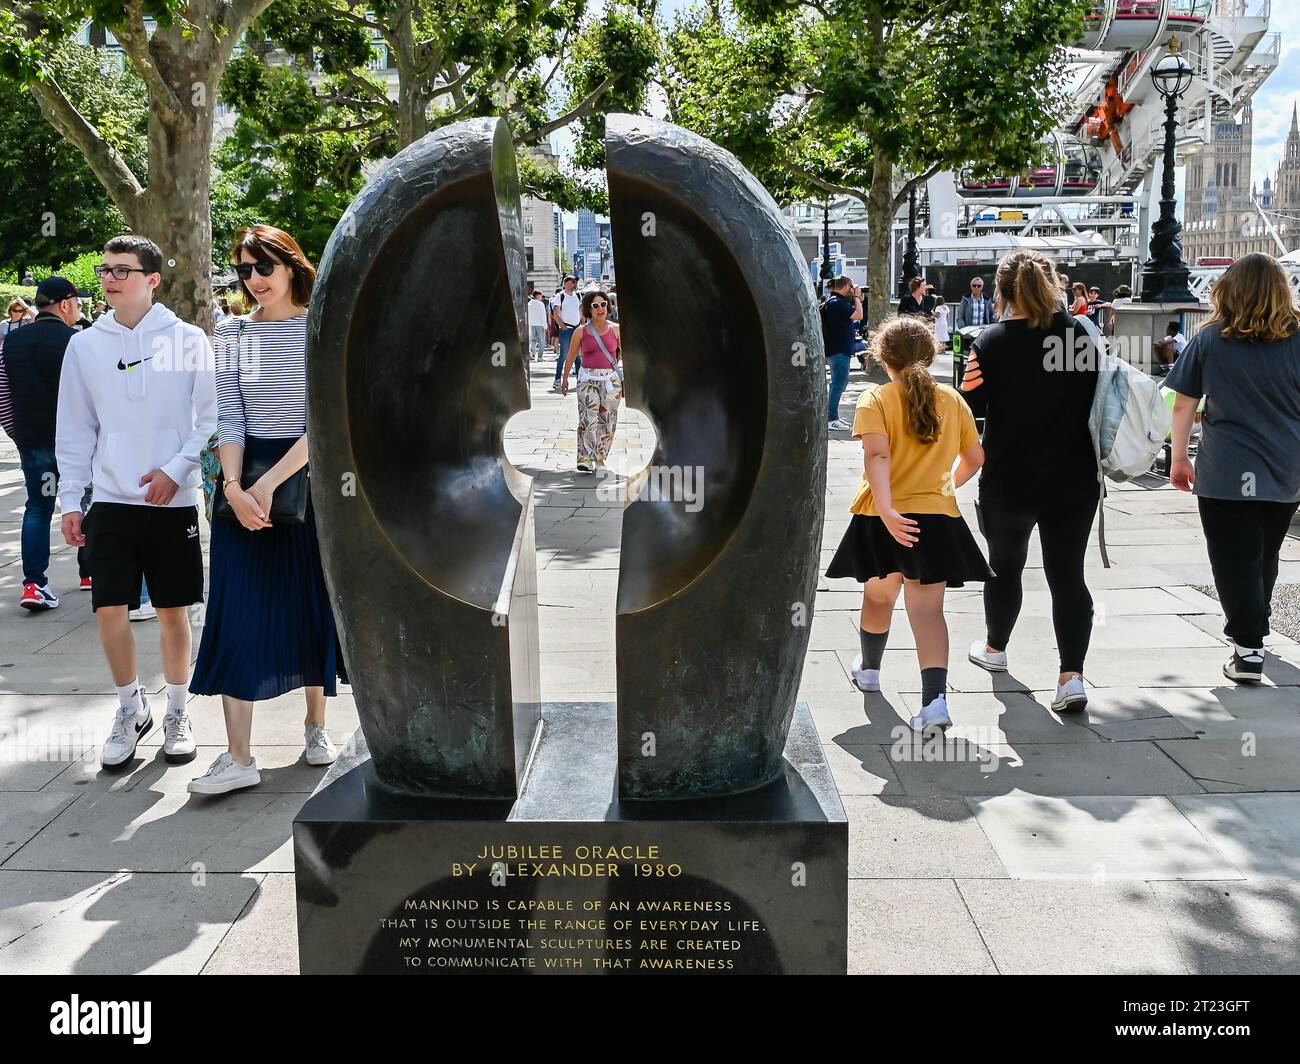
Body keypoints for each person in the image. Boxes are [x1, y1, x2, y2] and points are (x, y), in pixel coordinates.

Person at [187, 224, 348, 795]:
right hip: (244, 479)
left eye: (264, 268)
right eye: (245, 270)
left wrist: (271, 485)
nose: (254, 280)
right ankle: (238, 756)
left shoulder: (319, 330)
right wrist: (233, 486)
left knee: (311, 601)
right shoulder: (229, 334)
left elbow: (321, 420)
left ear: (291, 268)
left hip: (306, 480)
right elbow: (227, 418)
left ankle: (316, 725)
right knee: (237, 612)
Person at [56, 235, 216, 769]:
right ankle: (131, 708)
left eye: (122, 270)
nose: (109, 278)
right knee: (109, 611)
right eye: (105, 270)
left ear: (152, 280)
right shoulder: (84, 345)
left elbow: (211, 420)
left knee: (174, 611)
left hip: (171, 503)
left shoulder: (189, 339)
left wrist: (176, 470)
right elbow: (75, 429)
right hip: (111, 502)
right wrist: (71, 501)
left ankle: (177, 710)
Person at [825, 316, 990, 731]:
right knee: (928, 611)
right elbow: (975, 459)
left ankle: (870, 670)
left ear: (883, 357)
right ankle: (935, 704)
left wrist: (886, 509)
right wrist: (942, 487)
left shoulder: (876, 399)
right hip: (936, 519)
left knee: (878, 598)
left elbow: (877, 457)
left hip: (882, 516)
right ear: (931, 354)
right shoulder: (952, 399)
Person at [960, 250, 1099, 712]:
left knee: (1005, 567)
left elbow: (970, 407)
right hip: (1074, 478)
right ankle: (1071, 676)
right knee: (1068, 575)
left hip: (1009, 478)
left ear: (1001, 293)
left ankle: (995, 650)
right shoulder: (1080, 335)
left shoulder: (991, 341)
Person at [1167, 253, 1300, 684]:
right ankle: (1255, 631)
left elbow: (1185, 403)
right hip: (1286, 469)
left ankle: (1248, 649)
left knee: (1233, 561)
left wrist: (1179, 457)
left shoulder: (1210, 340)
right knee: (1263, 554)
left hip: (1228, 471)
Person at [4, 277, 93, 608]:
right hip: (77, 444)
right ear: (66, 304)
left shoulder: (11, 342)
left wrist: (19, 434)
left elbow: (3, 396)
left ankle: (34, 583)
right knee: (86, 503)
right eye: (78, 304)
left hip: (34, 443)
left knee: (39, 507)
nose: (79, 309)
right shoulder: (77, 342)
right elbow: (93, 396)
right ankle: (90, 571)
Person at [560, 289, 622, 473]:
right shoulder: (581, 332)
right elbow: (570, 357)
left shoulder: (616, 330)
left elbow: (624, 355)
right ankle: (585, 457)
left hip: (610, 380)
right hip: (587, 379)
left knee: (608, 420)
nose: (600, 308)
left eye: (603, 304)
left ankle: (600, 457)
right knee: (588, 419)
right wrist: (564, 380)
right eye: (595, 305)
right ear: (589, 309)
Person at [820, 275, 863, 431]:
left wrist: (857, 299)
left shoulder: (835, 302)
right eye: (851, 288)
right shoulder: (837, 303)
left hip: (837, 349)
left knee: (838, 384)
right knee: (838, 384)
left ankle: (833, 417)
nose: (853, 291)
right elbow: (859, 316)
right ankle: (831, 419)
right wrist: (857, 298)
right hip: (838, 351)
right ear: (846, 286)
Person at [551, 275, 583, 392]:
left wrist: (582, 324)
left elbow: (580, 311)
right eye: (573, 282)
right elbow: (556, 314)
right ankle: (557, 379)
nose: (575, 284)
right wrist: (563, 327)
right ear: (566, 283)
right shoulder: (560, 296)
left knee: (577, 356)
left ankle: (581, 380)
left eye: (576, 282)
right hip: (566, 329)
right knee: (564, 355)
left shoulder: (578, 295)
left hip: (577, 328)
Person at [526, 290, 549, 361]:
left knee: (533, 340)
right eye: (541, 296)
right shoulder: (540, 304)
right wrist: (545, 325)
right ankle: (540, 356)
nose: (541, 297)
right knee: (541, 341)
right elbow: (543, 315)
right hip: (540, 324)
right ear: (538, 295)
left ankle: (532, 353)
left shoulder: (529, 303)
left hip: (531, 324)